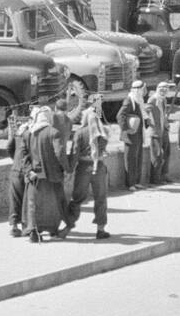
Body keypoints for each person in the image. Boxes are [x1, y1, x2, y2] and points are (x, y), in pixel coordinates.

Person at [66, 93, 110, 238]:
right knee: (101, 198)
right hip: (99, 168)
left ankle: (68, 226)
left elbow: (75, 153)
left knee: (77, 198)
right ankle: (101, 229)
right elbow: (103, 149)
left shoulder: (79, 133)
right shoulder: (104, 133)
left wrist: (70, 169)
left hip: (83, 168)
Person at [25, 104, 70, 242]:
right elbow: (59, 153)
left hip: (36, 174)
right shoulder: (53, 132)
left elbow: (26, 155)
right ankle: (60, 228)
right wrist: (66, 168)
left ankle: (33, 231)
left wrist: (29, 171)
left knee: (33, 203)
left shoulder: (31, 133)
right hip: (53, 174)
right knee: (58, 201)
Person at [117, 81, 148, 190]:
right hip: (131, 134)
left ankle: (136, 181)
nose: (144, 91)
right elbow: (120, 116)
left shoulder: (139, 100)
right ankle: (130, 183)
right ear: (137, 90)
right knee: (130, 158)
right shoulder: (129, 101)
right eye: (142, 89)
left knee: (138, 157)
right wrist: (126, 129)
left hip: (138, 133)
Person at [7, 114, 31, 237]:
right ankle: (26, 226)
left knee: (15, 199)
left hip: (15, 170)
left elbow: (9, 147)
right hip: (27, 170)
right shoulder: (31, 135)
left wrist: (15, 160)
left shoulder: (18, 134)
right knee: (27, 199)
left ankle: (14, 226)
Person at [147, 81, 172, 185]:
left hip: (163, 129)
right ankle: (155, 179)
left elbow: (163, 114)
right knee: (157, 154)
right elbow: (147, 112)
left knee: (166, 152)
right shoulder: (153, 99)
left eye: (166, 88)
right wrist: (152, 124)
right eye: (162, 88)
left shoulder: (163, 99)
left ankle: (164, 175)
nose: (164, 90)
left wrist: (166, 123)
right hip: (156, 131)